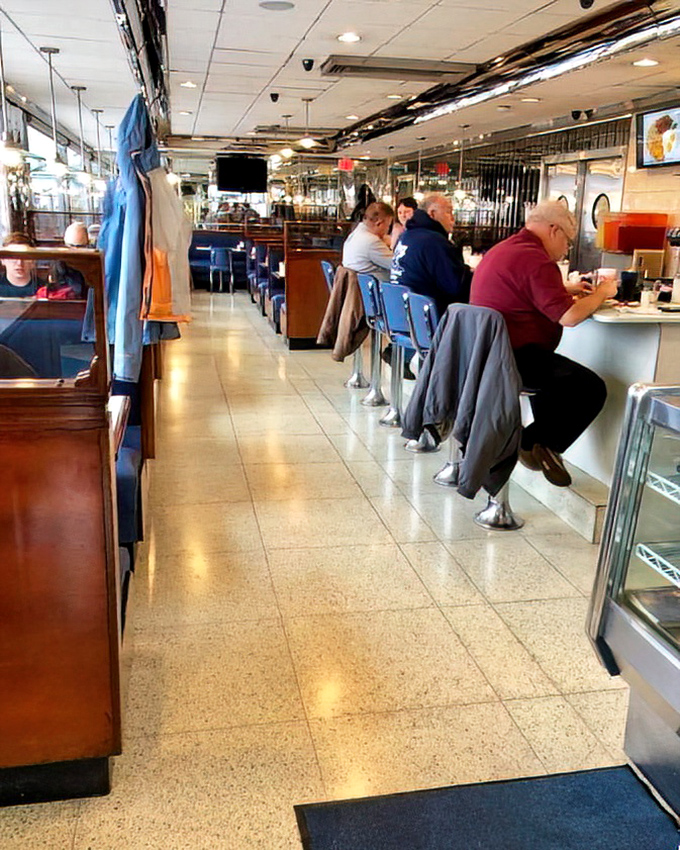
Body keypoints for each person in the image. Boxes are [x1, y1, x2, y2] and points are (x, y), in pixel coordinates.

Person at [470, 200, 618, 488]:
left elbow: (520, 287)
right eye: (567, 241)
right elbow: (570, 317)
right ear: (554, 230)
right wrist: (602, 292)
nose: (566, 250)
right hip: (513, 358)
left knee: (555, 382)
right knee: (590, 388)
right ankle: (530, 442)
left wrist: (564, 289)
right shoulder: (536, 259)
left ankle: (543, 447)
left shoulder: (507, 248)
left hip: (487, 353)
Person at [390, 193, 470, 318]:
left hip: (401, 313)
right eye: (449, 212)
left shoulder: (407, 236)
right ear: (432, 213)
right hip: (426, 318)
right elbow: (455, 287)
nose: (453, 219)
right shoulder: (433, 241)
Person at [341, 201, 394, 282]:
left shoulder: (356, 233)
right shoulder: (372, 241)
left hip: (356, 289)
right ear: (379, 223)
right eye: (388, 225)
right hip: (376, 291)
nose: (387, 230)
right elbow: (396, 265)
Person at [0, 232, 39, 298]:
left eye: (25, 257)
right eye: (13, 257)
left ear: (33, 261)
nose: (19, 263)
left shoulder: (43, 290)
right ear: (3, 260)